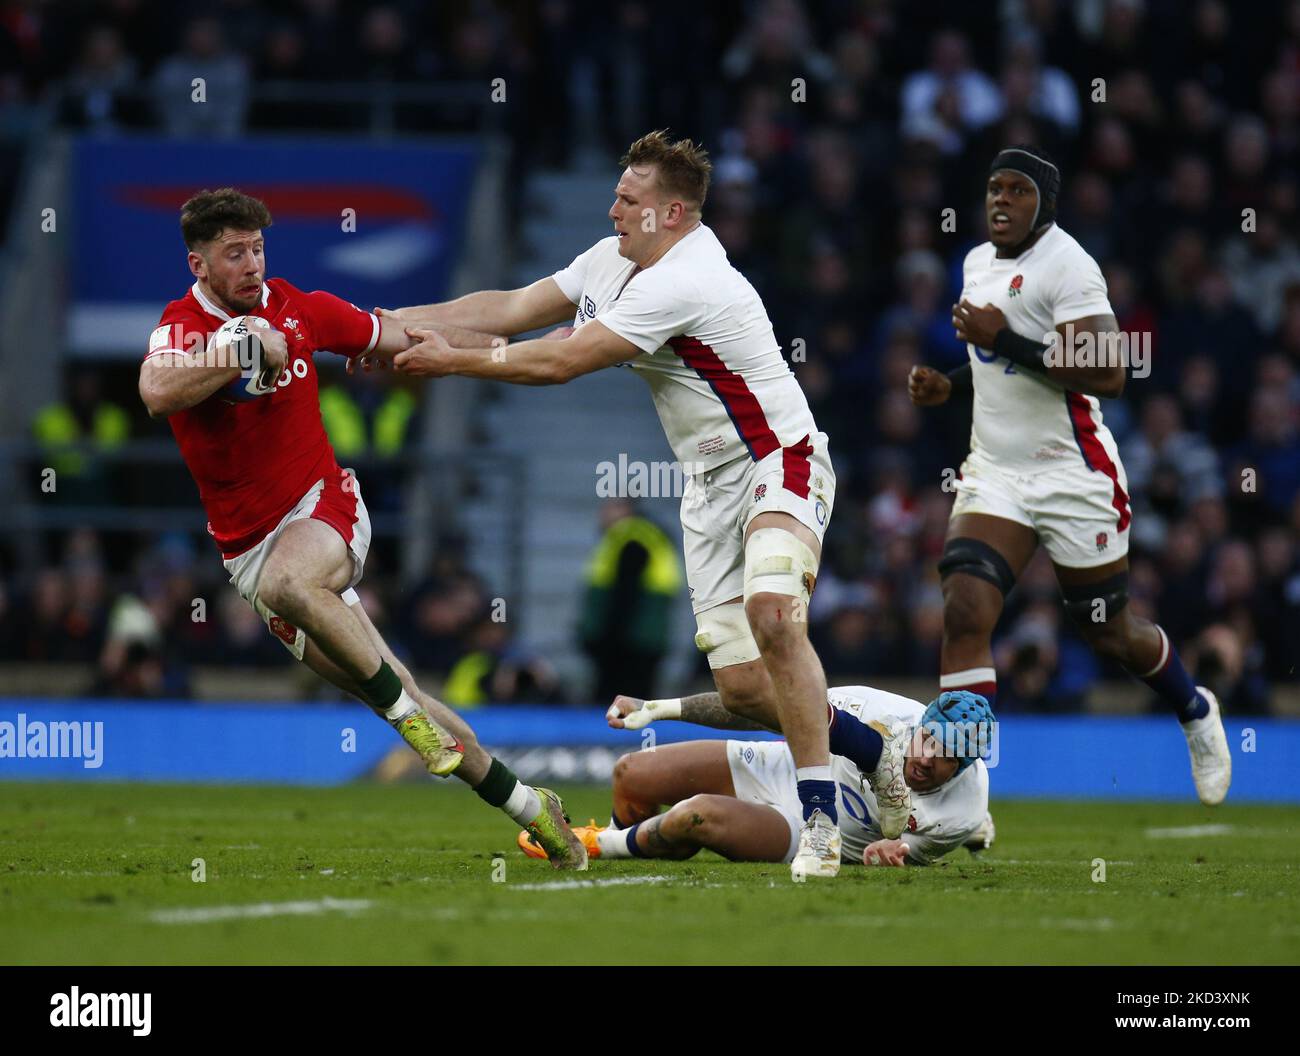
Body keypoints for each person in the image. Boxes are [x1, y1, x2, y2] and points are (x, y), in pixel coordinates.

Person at [373, 130, 907, 879]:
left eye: (631, 198)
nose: (614, 206)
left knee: (773, 615)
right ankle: (875, 753)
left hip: (777, 461)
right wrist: (386, 323)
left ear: (675, 212)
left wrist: (451, 360)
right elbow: (511, 307)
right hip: (708, 488)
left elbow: (561, 359)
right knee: (746, 689)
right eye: (618, 192)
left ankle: (820, 825)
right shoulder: (613, 258)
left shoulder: (687, 278)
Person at [137, 187, 586, 869]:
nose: (253, 263)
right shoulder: (181, 326)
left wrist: (520, 344)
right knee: (398, 687)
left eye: (258, 248)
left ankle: (402, 711)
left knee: (316, 604)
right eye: (234, 254)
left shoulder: (301, 309)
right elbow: (155, 391)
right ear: (198, 264)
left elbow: (407, 335)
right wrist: (235, 353)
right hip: (251, 560)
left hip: (324, 509)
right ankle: (531, 807)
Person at [906, 146, 1231, 805]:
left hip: (1070, 473)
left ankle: (1195, 709)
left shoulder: (1070, 266)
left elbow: (1110, 372)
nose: (1000, 200)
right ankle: (957, 790)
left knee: (1109, 633)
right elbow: (999, 366)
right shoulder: (974, 262)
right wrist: (953, 382)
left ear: (1045, 203)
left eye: (1017, 190)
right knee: (965, 607)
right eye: (993, 188)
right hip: (995, 470)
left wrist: (1006, 343)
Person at [518, 687, 993, 868]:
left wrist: (895, 853)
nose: (927, 758)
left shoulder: (960, 812)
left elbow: (907, 851)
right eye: (927, 739)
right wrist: (661, 708)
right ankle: (641, 844)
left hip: (808, 830)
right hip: (786, 767)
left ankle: (595, 845)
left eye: (946, 755)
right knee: (631, 773)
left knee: (696, 816)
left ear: (965, 766)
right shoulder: (878, 712)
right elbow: (761, 708)